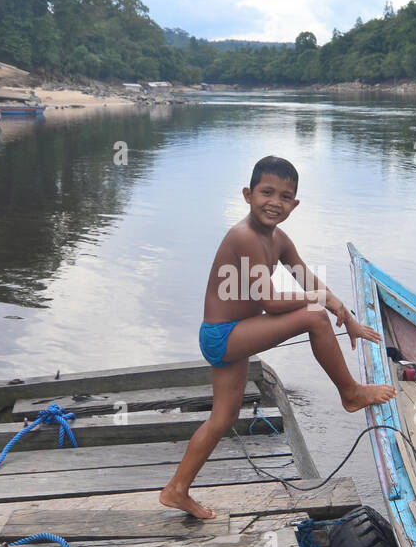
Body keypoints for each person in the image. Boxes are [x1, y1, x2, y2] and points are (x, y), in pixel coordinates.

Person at [160, 156, 395, 520]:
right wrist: (322, 305)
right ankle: (351, 393)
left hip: (234, 338)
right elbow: (269, 300)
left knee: (222, 419)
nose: (275, 202)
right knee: (314, 319)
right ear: (247, 194)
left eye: (285, 197)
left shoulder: (279, 238)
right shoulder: (245, 237)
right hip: (225, 336)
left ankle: (176, 489)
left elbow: (307, 278)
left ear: (295, 205)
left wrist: (345, 314)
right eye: (266, 192)